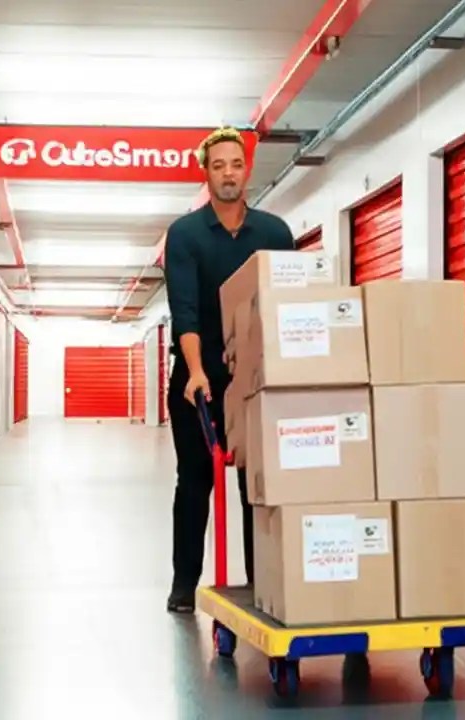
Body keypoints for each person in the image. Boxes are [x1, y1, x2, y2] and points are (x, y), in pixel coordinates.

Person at [163, 126, 296, 613]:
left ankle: (261, 578)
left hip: (255, 378)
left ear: (247, 171)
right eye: (217, 166)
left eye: (235, 165)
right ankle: (184, 583)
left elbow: (288, 300)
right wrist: (196, 372)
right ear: (207, 173)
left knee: (255, 482)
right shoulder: (186, 234)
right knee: (195, 478)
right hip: (199, 378)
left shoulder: (275, 234)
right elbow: (185, 310)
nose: (227, 174)